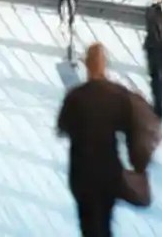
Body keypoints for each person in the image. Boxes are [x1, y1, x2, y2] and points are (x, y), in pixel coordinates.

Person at [56, 43, 133, 237]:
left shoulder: (75, 96)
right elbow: (130, 128)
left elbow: (62, 128)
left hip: (82, 172)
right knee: (105, 223)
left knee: (88, 225)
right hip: (109, 170)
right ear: (105, 65)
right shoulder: (118, 94)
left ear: (86, 65)